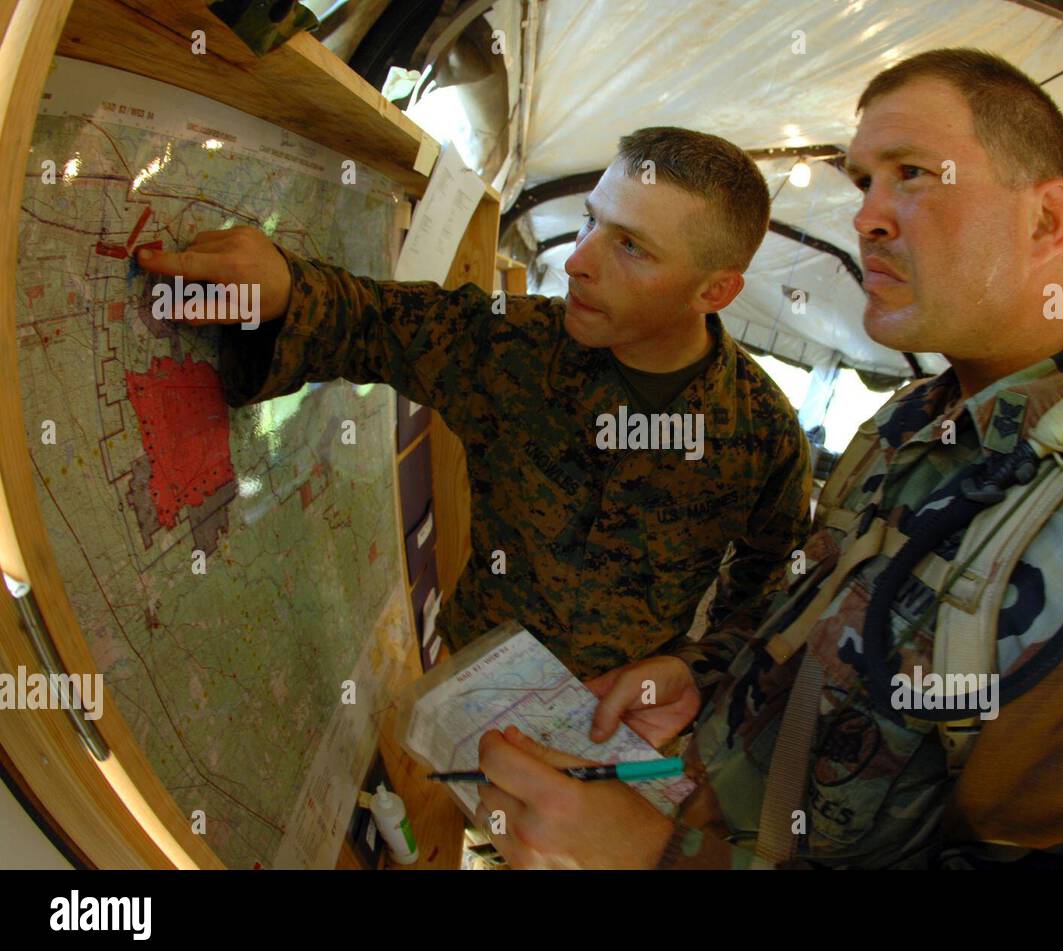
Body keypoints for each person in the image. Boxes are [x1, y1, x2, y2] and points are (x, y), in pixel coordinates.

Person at [471, 48, 1063, 870]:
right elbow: (822, 623)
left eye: (913, 175)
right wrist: (707, 677)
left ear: (1045, 221)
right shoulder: (913, 416)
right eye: (864, 181)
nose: (866, 217)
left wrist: (659, 859)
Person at [140, 127, 812, 680]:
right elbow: (373, 321)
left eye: (631, 246)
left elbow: (765, 595)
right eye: (591, 221)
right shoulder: (513, 344)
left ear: (714, 292)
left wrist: (691, 674)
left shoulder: (765, 437)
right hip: (472, 678)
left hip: (622, 721)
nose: (578, 261)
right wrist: (285, 285)